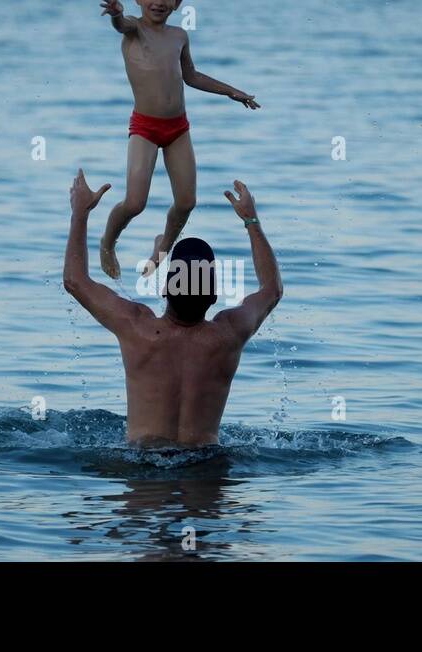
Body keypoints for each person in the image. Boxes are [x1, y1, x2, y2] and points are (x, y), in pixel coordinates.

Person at [64, 169, 282, 446]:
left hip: (144, 463)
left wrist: (80, 213)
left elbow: (75, 281)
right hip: (206, 467)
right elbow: (272, 290)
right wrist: (251, 220)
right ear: (214, 297)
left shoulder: (137, 327)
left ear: (165, 290)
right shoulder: (228, 334)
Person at [96, 0, 260, 279]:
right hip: (145, 128)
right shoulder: (134, 28)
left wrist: (231, 91)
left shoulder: (179, 36)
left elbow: (191, 76)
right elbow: (120, 25)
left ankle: (161, 250)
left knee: (186, 203)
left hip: (178, 129)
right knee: (135, 203)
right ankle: (107, 244)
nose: (158, 2)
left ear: (176, 3)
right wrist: (116, 14)